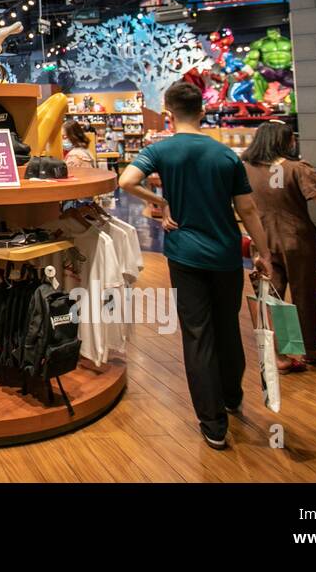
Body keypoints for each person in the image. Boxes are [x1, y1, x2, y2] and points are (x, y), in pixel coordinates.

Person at [118, 81, 272, 450]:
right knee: (227, 327)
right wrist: (263, 252)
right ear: (202, 112)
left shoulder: (160, 150)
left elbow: (126, 180)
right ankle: (232, 396)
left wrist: (162, 202)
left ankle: (213, 424)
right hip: (225, 255)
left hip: (184, 255)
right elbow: (247, 208)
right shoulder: (225, 155)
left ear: (168, 114)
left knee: (197, 334)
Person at [241, 121, 316, 371]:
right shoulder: (297, 168)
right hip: (297, 239)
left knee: (270, 298)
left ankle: (279, 356)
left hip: (262, 240)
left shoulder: (245, 168)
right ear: (285, 141)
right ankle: (309, 350)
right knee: (305, 295)